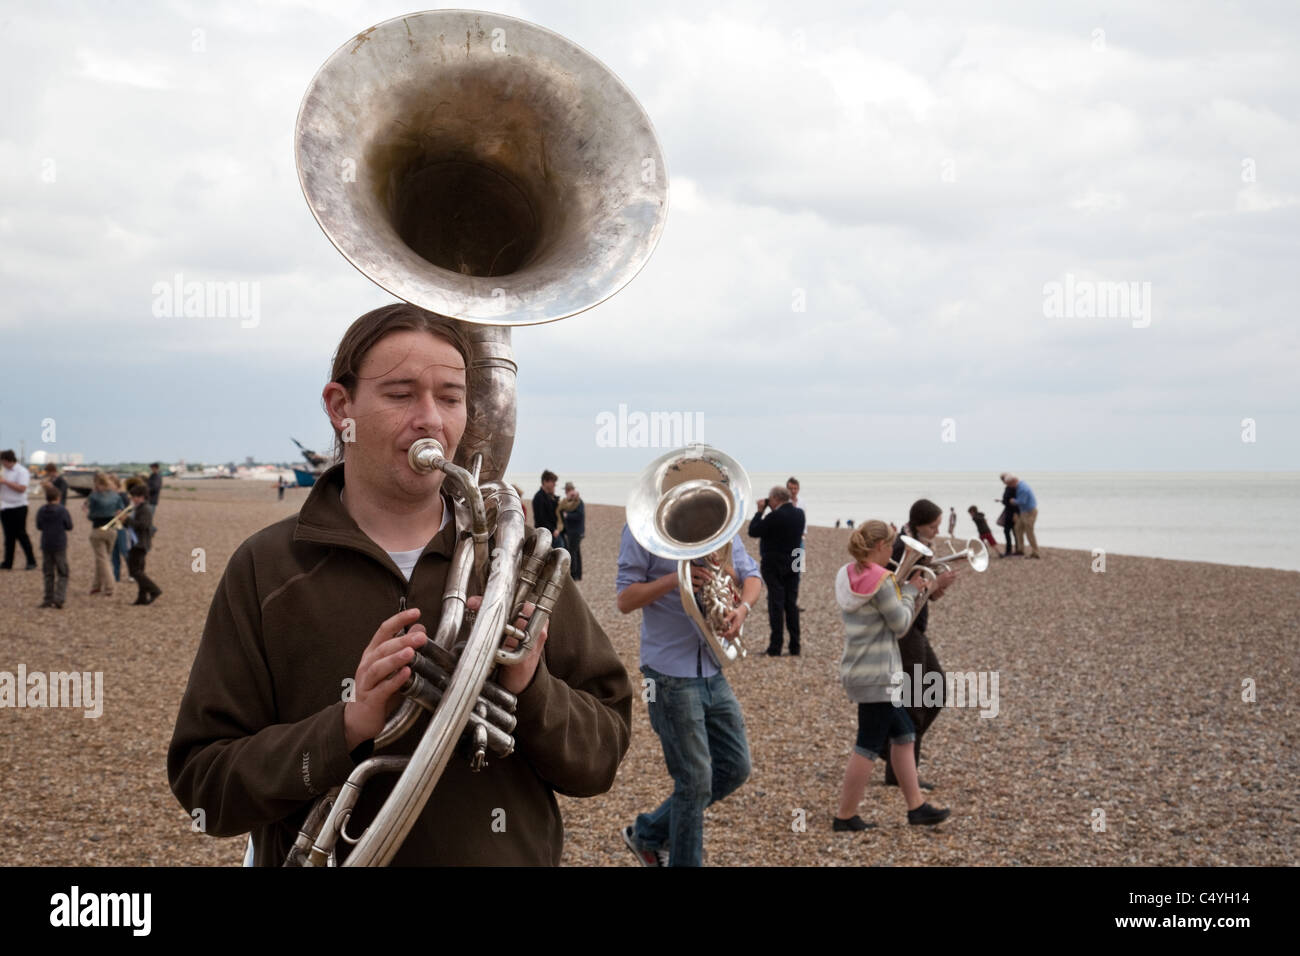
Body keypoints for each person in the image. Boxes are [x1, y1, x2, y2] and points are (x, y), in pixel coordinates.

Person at [168, 303, 632, 866]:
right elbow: (205, 787)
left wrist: (531, 688)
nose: (431, 419)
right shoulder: (266, 567)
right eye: (400, 393)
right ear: (342, 407)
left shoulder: (511, 562)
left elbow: (601, 757)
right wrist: (347, 726)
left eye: (452, 396)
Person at [616, 514, 761, 866]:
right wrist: (677, 579)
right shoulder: (643, 531)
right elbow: (625, 599)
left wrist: (742, 608)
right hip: (668, 674)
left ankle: (648, 833)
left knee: (736, 766)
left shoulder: (719, 526)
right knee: (694, 782)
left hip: (712, 667)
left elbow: (752, 576)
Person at [833, 520, 951, 830]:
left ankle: (916, 807)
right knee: (867, 745)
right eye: (890, 546)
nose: (893, 552)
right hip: (879, 675)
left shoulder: (846, 573)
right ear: (880, 547)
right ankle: (844, 816)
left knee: (904, 735)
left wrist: (900, 590)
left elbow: (877, 612)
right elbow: (900, 624)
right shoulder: (883, 580)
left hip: (859, 666)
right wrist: (912, 590)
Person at [882, 499, 956, 789]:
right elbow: (897, 591)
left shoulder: (921, 546)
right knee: (916, 700)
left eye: (938, 526)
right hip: (904, 630)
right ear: (915, 523)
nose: (936, 531)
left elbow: (928, 595)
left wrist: (941, 585)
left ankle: (892, 755)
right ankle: (901, 770)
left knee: (934, 691)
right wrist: (935, 584)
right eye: (932, 526)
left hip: (916, 627)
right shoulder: (903, 548)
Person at [747, 485, 805, 656]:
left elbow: (753, 531)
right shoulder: (800, 513)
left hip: (774, 563)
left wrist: (759, 511)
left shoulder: (774, 516)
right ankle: (795, 646)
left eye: (770, 499)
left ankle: (775, 646)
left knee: (776, 604)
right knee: (791, 604)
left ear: (775, 499)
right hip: (795, 559)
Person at [83, 472, 122, 595]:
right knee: (102, 559)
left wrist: (86, 512)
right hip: (112, 531)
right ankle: (96, 585)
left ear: (97, 483)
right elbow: (119, 512)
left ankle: (110, 587)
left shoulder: (94, 496)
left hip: (98, 530)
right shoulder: (116, 495)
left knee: (102, 559)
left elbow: (91, 515)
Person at [35, 484, 73, 609]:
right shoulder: (62, 510)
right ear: (58, 497)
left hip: (46, 543)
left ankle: (48, 598)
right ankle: (59, 598)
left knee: (48, 573)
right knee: (63, 572)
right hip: (59, 544)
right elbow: (69, 526)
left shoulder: (41, 510)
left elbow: (39, 526)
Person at [0, 450, 38, 571]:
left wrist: (5, 482)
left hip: (19, 507)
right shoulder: (4, 471)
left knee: (21, 535)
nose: (2, 464)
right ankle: (8, 562)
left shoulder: (22, 471)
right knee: (8, 536)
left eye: (2, 462)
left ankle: (31, 561)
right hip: (5, 507)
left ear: (7, 460)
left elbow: (22, 488)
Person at [126, 484, 162, 605]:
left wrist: (126, 519)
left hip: (140, 543)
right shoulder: (139, 508)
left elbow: (143, 525)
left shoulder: (145, 509)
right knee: (140, 570)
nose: (133, 499)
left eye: (135, 496)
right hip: (136, 542)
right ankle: (141, 597)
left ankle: (154, 590)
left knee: (134, 571)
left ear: (142, 497)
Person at [1005, 474, 1041, 558]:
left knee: (1029, 532)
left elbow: (1022, 501)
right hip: (1023, 512)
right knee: (1017, 528)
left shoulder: (1022, 488)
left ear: (1013, 481)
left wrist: (1013, 501)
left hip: (1029, 512)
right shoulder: (1019, 485)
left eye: (1009, 484)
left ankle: (1036, 552)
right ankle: (1020, 549)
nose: (1009, 486)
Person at [556, 481, 585, 581]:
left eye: (569, 490)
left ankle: (574, 574)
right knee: (576, 552)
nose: (567, 492)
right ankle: (577, 574)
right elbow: (561, 509)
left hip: (576, 531)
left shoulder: (578, 502)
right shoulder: (568, 502)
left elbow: (580, 515)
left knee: (573, 552)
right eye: (567, 490)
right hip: (571, 531)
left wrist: (567, 515)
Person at [532, 470, 560, 542]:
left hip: (553, 533)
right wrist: (553, 530)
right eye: (553, 482)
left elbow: (555, 513)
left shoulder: (549, 496)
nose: (554, 484)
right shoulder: (539, 497)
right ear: (545, 482)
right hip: (545, 535)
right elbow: (540, 519)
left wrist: (554, 498)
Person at [997, 473, 1021, 557]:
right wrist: (1002, 501)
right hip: (1009, 512)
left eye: (1003, 479)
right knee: (1011, 532)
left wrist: (1015, 514)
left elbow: (1013, 502)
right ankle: (1015, 549)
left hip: (1011, 513)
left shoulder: (1012, 488)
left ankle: (1012, 550)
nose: (1003, 481)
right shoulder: (1009, 488)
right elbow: (1007, 500)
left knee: (1010, 531)